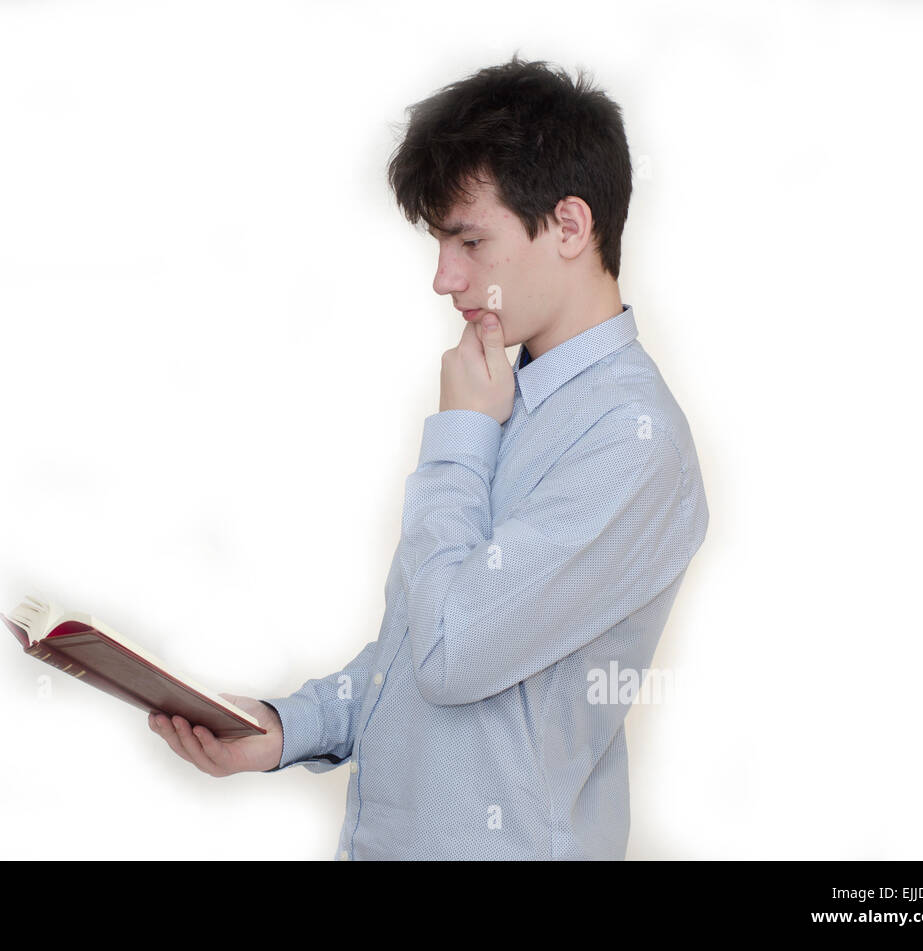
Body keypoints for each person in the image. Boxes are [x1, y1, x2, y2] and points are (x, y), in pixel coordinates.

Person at [147, 54, 709, 860]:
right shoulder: (505, 390)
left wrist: (460, 438)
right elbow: (416, 648)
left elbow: (453, 652)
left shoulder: (630, 440)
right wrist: (285, 728)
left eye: (469, 240)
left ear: (571, 226)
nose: (445, 278)